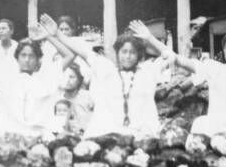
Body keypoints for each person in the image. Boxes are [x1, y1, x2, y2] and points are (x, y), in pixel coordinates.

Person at [41, 14, 186, 140]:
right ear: (117, 53)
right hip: (109, 134)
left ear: (139, 55)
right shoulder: (106, 69)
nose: (127, 56)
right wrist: (57, 34)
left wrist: (150, 38)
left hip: (141, 135)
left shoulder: (148, 71)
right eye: (124, 52)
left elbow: (170, 55)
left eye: (132, 52)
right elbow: (83, 52)